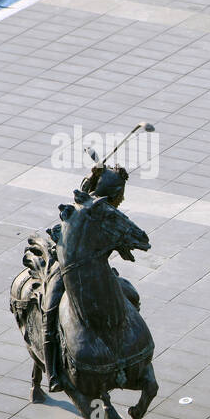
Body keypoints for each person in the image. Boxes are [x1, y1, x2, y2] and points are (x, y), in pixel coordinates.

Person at [41, 163, 134, 392]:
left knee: (130, 294)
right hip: (65, 271)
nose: (121, 200)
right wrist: (93, 173)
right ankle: (53, 371)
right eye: (119, 194)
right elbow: (85, 186)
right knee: (50, 313)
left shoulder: (109, 213)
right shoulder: (84, 206)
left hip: (95, 272)